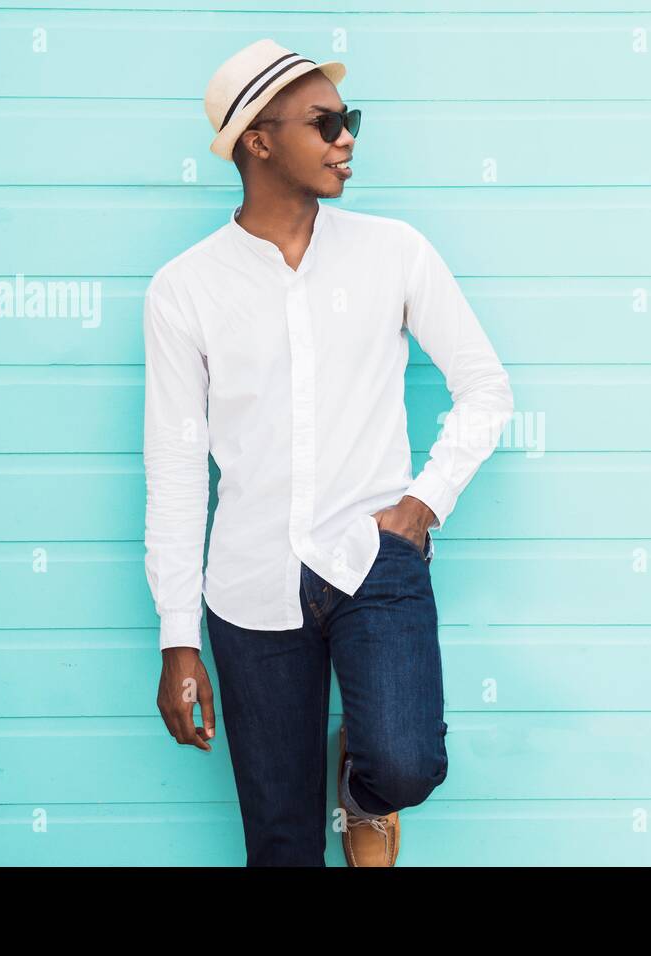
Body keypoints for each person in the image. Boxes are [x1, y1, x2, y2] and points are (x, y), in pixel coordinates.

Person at [142, 38, 514, 866]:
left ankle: (363, 789)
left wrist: (424, 503)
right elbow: (173, 468)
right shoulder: (184, 289)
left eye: (350, 122)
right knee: (279, 842)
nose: (347, 139)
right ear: (259, 141)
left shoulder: (396, 251)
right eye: (326, 123)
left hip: (372, 555)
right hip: (248, 582)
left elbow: (487, 387)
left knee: (408, 763)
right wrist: (177, 642)